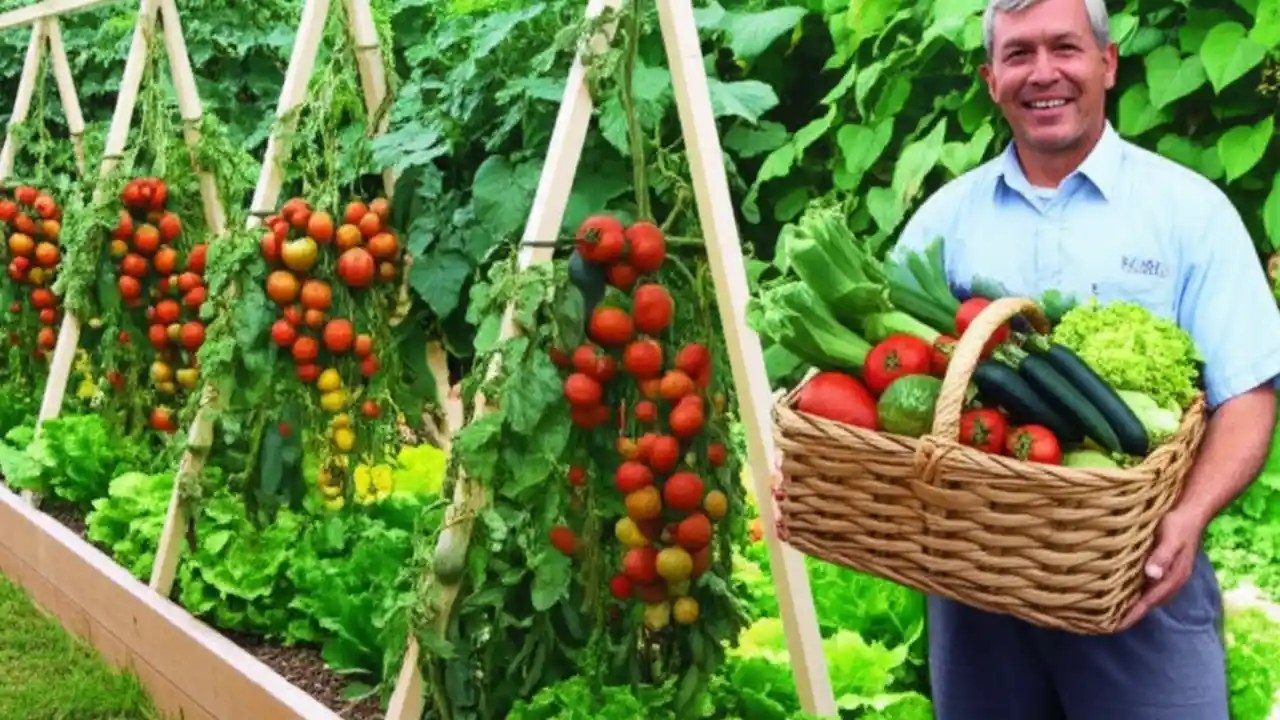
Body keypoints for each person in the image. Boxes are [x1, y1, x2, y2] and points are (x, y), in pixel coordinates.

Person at [888, 0, 1280, 717]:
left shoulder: (1189, 212)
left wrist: (1187, 516)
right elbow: (882, 390)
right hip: (974, 595)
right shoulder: (945, 223)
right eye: (1018, 54)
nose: (1044, 73)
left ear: (1106, 63)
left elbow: (1249, 394)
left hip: (1138, 579)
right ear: (989, 78)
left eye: (1064, 48)